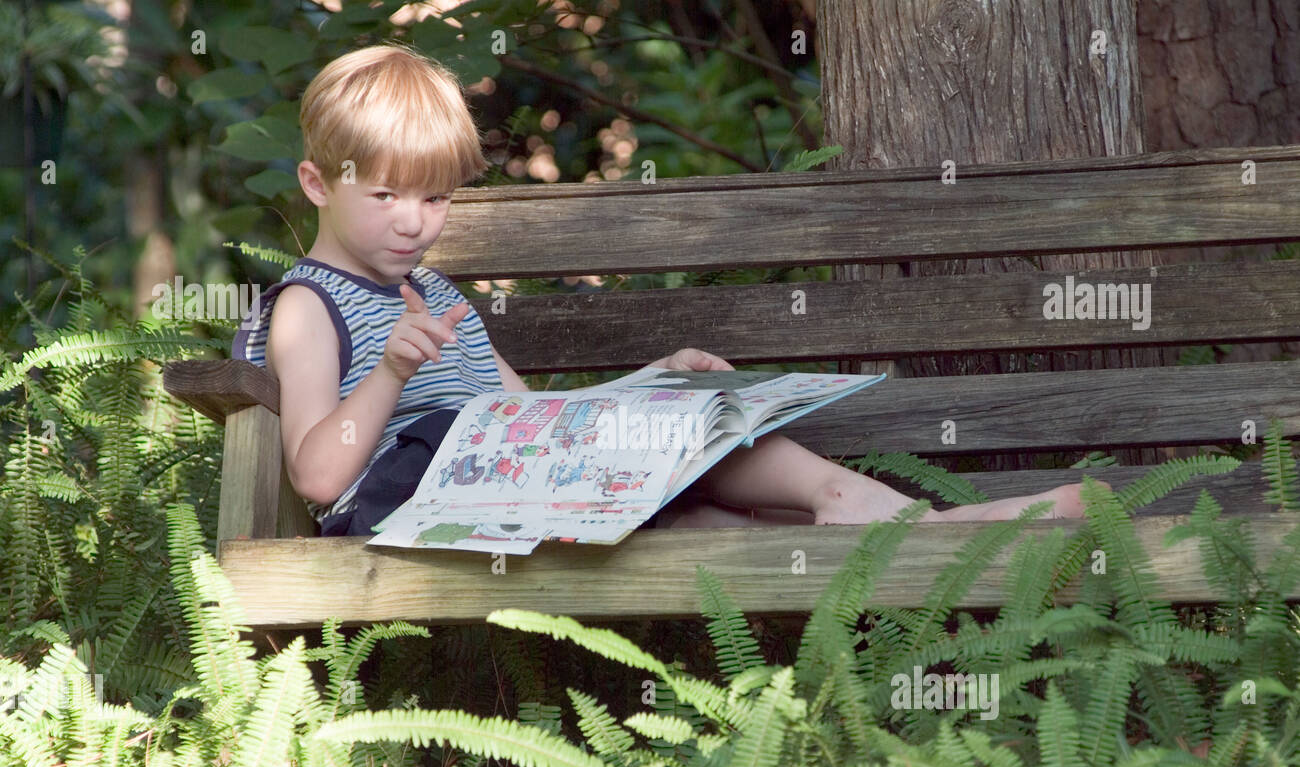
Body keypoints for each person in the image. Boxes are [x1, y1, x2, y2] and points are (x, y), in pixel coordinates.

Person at [235, 44, 1101, 538]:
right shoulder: (309, 307)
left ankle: (874, 517)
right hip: (413, 501)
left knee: (679, 442)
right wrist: (386, 374)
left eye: (433, 198)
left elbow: (529, 417)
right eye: (384, 196)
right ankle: (924, 532)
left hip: (498, 476)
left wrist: (642, 384)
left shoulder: (439, 295)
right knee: (664, 503)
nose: (412, 222)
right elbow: (316, 476)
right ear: (317, 184)